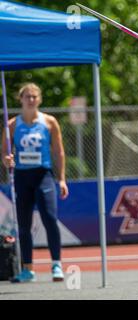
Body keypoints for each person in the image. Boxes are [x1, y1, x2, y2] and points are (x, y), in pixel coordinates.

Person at [1, 83, 69, 283]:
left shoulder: (49, 122)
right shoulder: (12, 124)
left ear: (39, 99)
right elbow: (5, 152)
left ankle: (56, 264)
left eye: (34, 97)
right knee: (23, 224)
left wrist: (62, 179)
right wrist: (7, 159)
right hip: (22, 177)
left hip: (43, 176)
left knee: (49, 218)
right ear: (20, 99)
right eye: (27, 96)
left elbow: (59, 151)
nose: (30, 100)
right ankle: (27, 268)